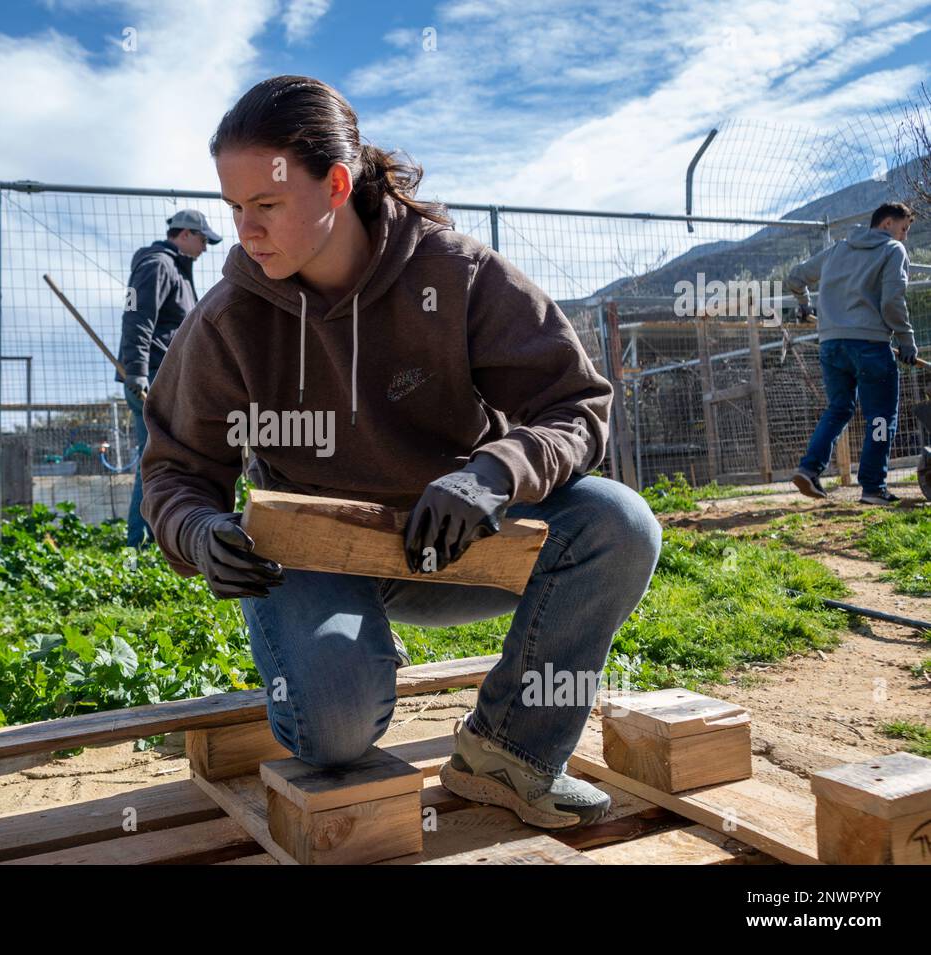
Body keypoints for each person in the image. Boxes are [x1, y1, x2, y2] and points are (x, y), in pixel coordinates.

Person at [138, 75, 663, 830]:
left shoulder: (458, 275)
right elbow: (175, 471)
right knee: (337, 731)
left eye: (267, 206)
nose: (245, 231)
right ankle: (331, 657)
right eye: (234, 209)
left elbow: (576, 407)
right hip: (309, 557)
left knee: (620, 523)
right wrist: (196, 532)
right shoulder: (228, 319)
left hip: (451, 542)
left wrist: (492, 474)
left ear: (337, 184)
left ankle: (507, 753)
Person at [789, 202, 917, 505]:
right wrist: (906, 340)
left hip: (831, 345)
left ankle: (809, 468)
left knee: (839, 408)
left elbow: (795, 277)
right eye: (904, 229)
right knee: (880, 418)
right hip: (870, 346)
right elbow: (891, 303)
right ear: (887, 223)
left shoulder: (837, 249)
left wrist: (804, 303)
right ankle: (873, 486)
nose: (905, 237)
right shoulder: (892, 250)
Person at [116, 209, 221, 547]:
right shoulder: (157, 265)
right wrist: (135, 371)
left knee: (166, 458)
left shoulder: (179, 271)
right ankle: (139, 543)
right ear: (185, 234)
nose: (205, 247)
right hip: (150, 377)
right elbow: (136, 316)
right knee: (154, 459)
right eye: (203, 239)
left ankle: (156, 536)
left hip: (167, 377)